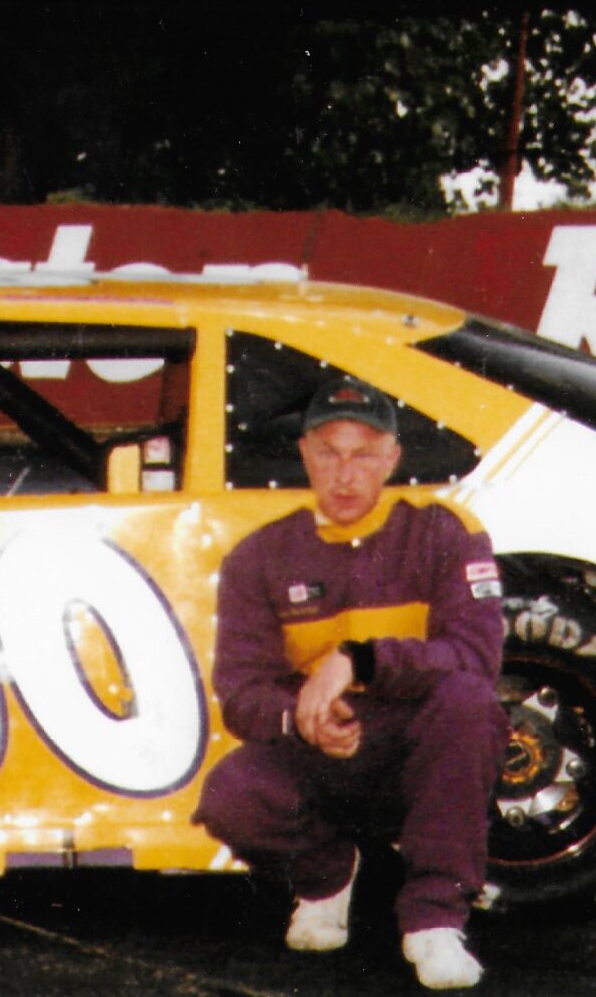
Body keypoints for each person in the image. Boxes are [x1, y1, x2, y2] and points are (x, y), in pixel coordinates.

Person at [194, 374, 508, 990]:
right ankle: (327, 877)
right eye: (329, 454)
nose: (345, 474)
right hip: (324, 753)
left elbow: (475, 655)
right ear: (305, 455)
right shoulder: (258, 555)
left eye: (364, 455)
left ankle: (435, 919)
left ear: (393, 458)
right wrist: (300, 716)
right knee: (230, 792)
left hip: (422, 749)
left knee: (469, 702)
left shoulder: (446, 532)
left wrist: (360, 662)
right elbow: (240, 691)